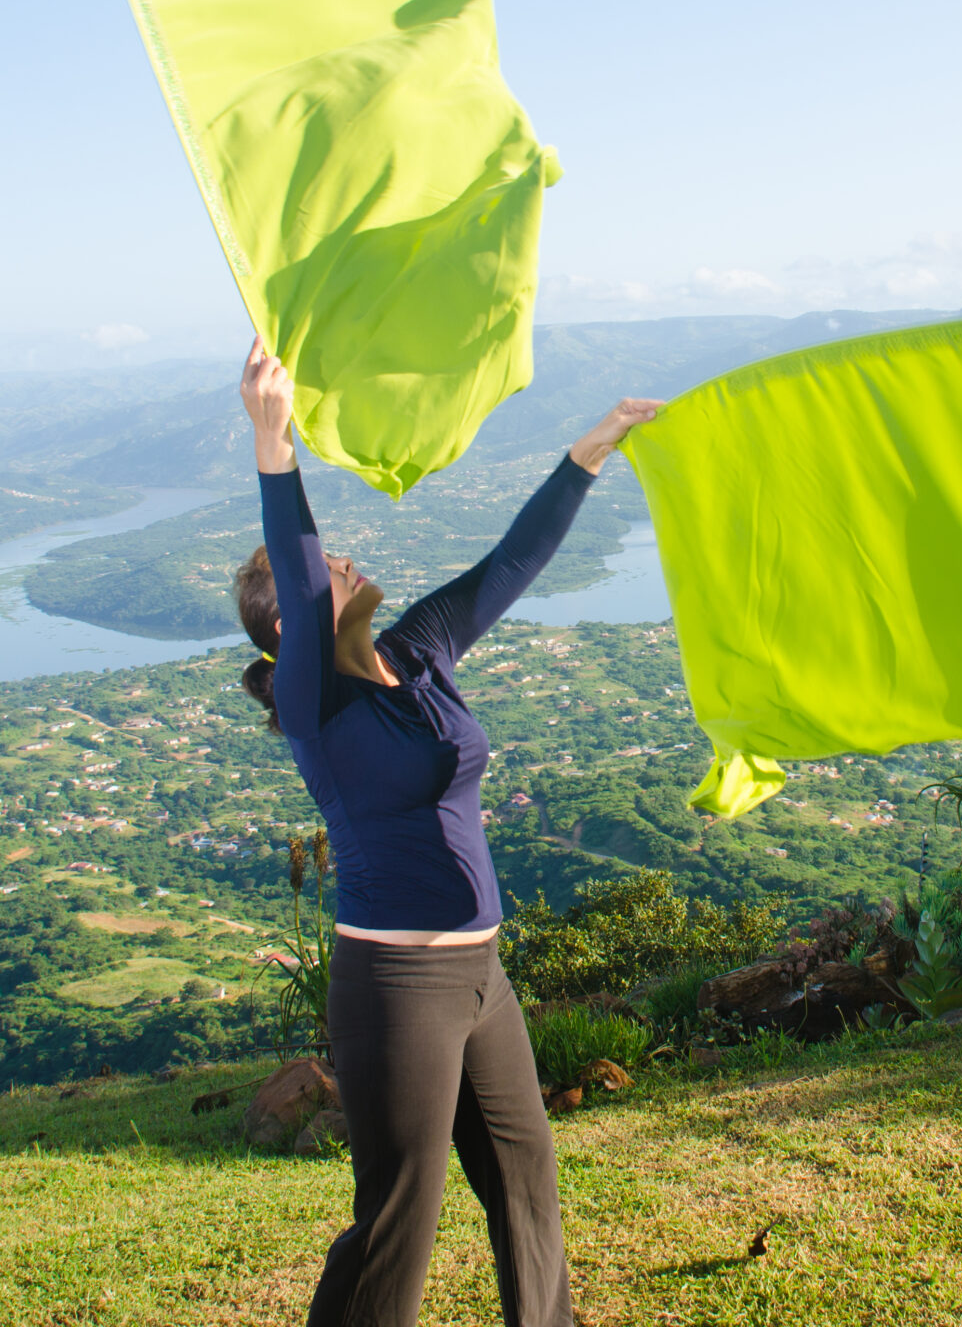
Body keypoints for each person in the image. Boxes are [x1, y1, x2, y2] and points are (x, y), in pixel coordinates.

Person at [235, 335, 660, 1327]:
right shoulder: (314, 703)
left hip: (480, 971)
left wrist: (589, 451)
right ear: (290, 632)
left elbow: (508, 564)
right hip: (396, 984)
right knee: (400, 1216)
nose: (343, 564)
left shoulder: (413, 653)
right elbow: (297, 575)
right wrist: (272, 441)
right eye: (332, 570)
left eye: (341, 559)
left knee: (525, 1179)